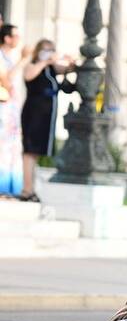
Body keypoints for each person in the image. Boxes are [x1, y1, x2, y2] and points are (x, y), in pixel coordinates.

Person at [19, 39, 76, 202]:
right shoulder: (33, 65)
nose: (49, 52)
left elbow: (68, 69)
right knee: (30, 151)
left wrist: (69, 61)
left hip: (47, 116)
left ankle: (31, 188)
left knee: (36, 152)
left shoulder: (51, 69)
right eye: (45, 50)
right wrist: (46, 61)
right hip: (33, 114)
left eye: (51, 50)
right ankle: (26, 189)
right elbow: (29, 75)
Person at [0, 23, 31, 198]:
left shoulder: (10, 57)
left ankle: (10, 189)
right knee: (3, 148)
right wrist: (24, 59)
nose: (19, 40)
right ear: (7, 38)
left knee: (13, 148)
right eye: (16, 36)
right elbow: (6, 79)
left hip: (11, 110)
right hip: (3, 108)